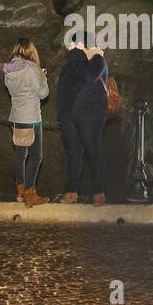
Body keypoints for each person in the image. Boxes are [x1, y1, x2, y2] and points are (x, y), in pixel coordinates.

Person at [55, 32, 109, 205]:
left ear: (81, 44)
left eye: (72, 45)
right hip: (71, 115)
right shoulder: (74, 62)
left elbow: (89, 76)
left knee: (93, 152)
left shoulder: (97, 58)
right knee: (74, 154)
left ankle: (99, 192)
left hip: (90, 114)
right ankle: (72, 192)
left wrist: (78, 55)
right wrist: (63, 114)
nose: (69, 48)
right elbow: (65, 86)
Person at [2, 38, 50, 207]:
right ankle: (30, 193)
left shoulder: (8, 70)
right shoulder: (32, 69)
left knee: (20, 156)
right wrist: (43, 77)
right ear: (31, 51)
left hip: (16, 118)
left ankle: (20, 191)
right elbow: (43, 93)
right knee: (36, 157)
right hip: (31, 119)